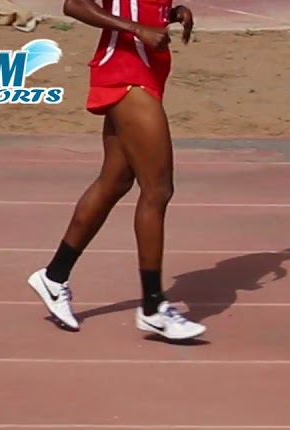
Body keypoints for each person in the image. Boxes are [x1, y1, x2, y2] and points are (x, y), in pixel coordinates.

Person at [26, 0, 205, 341]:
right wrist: (137, 29)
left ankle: (54, 276)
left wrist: (172, 13)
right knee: (158, 189)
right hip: (125, 73)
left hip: (148, 71)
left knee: (116, 181)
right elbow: (74, 5)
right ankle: (153, 307)